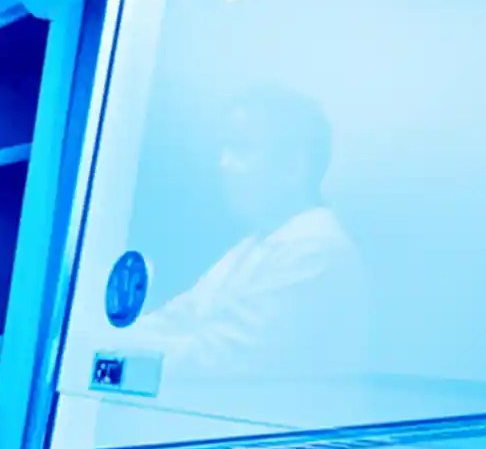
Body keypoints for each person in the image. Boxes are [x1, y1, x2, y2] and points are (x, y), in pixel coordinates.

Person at [116, 84, 369, 382]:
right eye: (223, 148)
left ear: (293, 166)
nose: (223, 164)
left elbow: (217, 362)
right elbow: (176, 319)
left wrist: (109, 350)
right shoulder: (254, 246)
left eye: (241, 148)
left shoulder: (318, 252)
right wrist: (103, 339)